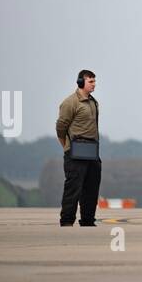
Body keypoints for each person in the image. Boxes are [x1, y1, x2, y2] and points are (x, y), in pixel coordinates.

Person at [57, 70, 102, 226]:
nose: (94, 85)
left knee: (92, 188)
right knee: (73, 188)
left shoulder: (93, 102)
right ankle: (67, 220)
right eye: (91, 81)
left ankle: (88, 220)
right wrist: (67, 148)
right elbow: (61, 128)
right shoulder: (70, 103)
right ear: (81, 82)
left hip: (92, 152)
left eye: (94, 81)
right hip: (75, 153)